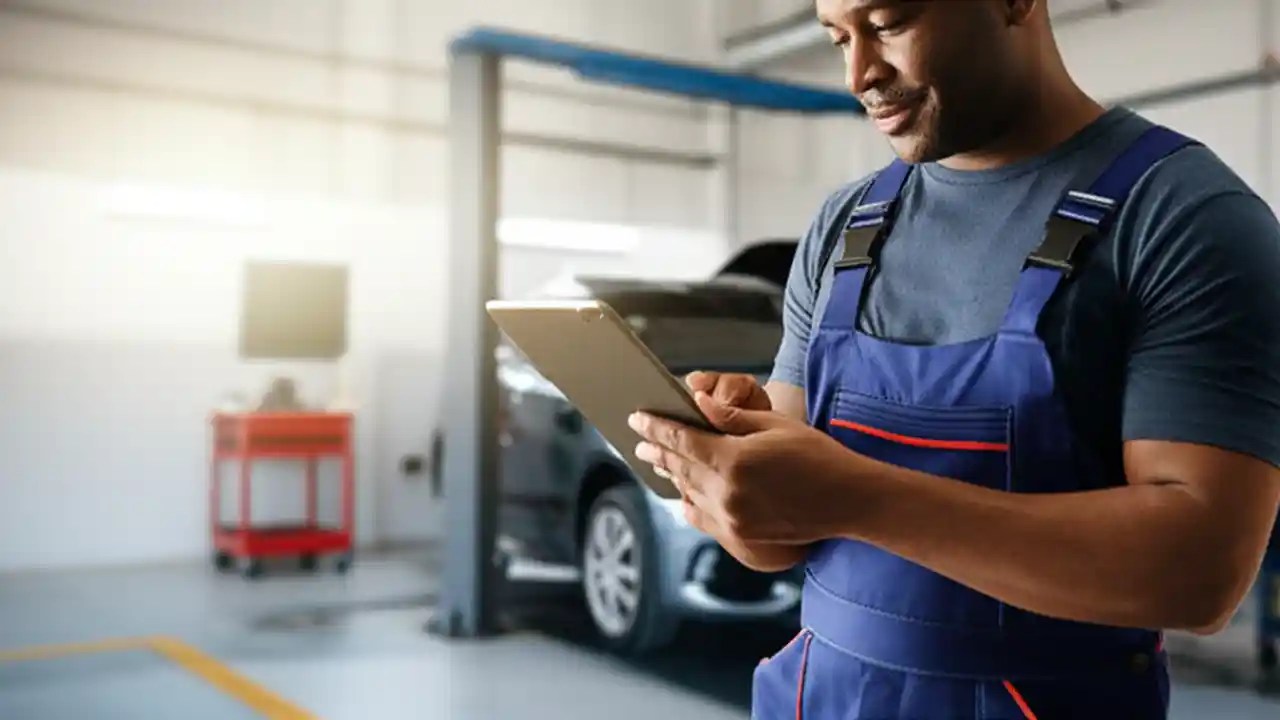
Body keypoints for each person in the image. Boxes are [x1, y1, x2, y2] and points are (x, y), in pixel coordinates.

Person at [626, 1, 1280, 718]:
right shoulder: (845, 227)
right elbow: (780, 542)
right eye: (840, 37)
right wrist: (732, 479)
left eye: (888, 22)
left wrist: (855, 495)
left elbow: (1200, 571)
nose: (860, 73)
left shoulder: (1183, 217)